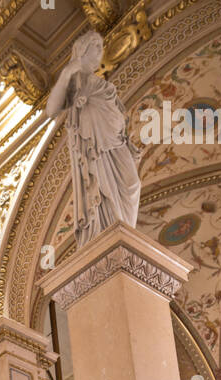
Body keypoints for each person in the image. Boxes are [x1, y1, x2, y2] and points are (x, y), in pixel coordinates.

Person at [46, 30, 141, 246]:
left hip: (116, 143)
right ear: (82, 50)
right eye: (96, 46)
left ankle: (125, 235)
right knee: (103, 190)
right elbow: (51, 109)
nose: (100, 51)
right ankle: (110, 233)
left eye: (101, 46)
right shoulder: (75, 77)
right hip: (95, 147)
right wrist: (67, 72)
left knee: (132, 184)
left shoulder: (101, 83)